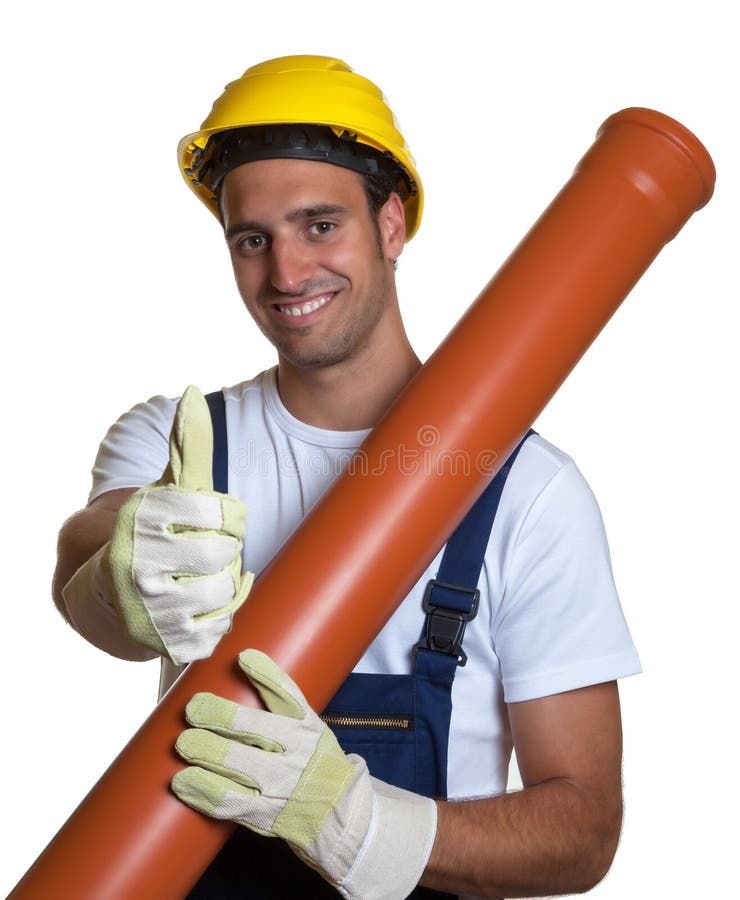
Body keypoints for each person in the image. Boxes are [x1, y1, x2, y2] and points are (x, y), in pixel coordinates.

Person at [53, 55, 641, 899]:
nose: (286, 274)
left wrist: (366, 826)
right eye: (253, 239)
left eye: (320, 224)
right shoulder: (180, 442)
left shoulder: (527, 492)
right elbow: (84, 559)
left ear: (391, 225)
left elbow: (584, 835)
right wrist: (119, 571)